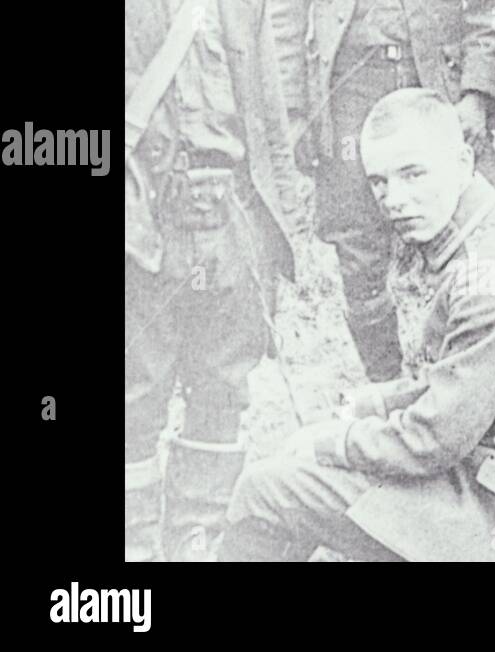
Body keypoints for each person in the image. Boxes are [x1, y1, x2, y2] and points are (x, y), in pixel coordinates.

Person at [218, 89, 495, 562]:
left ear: (463, 162)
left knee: (265, 490)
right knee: (307, 472)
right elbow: (456, 381)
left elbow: (432, 441)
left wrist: (328, 443)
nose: (394, 200)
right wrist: (370, 404)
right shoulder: (488, 233)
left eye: (413, 174)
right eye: (379, 182)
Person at [124, 0, 301, 561]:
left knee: (222, 389)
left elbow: (270, 116)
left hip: (228, 215)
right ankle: (133, 548)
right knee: (135, 392)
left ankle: (196, 542)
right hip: (143, 218)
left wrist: (278, 223)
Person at [268, 0, 495, 383]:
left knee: (471, 230)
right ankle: (387, 384)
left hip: (433, 76)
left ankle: (475, 376)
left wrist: (477, 94)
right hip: (348, 85)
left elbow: (490, 8)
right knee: (356, 243)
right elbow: (284, 18)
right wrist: (297, 113)